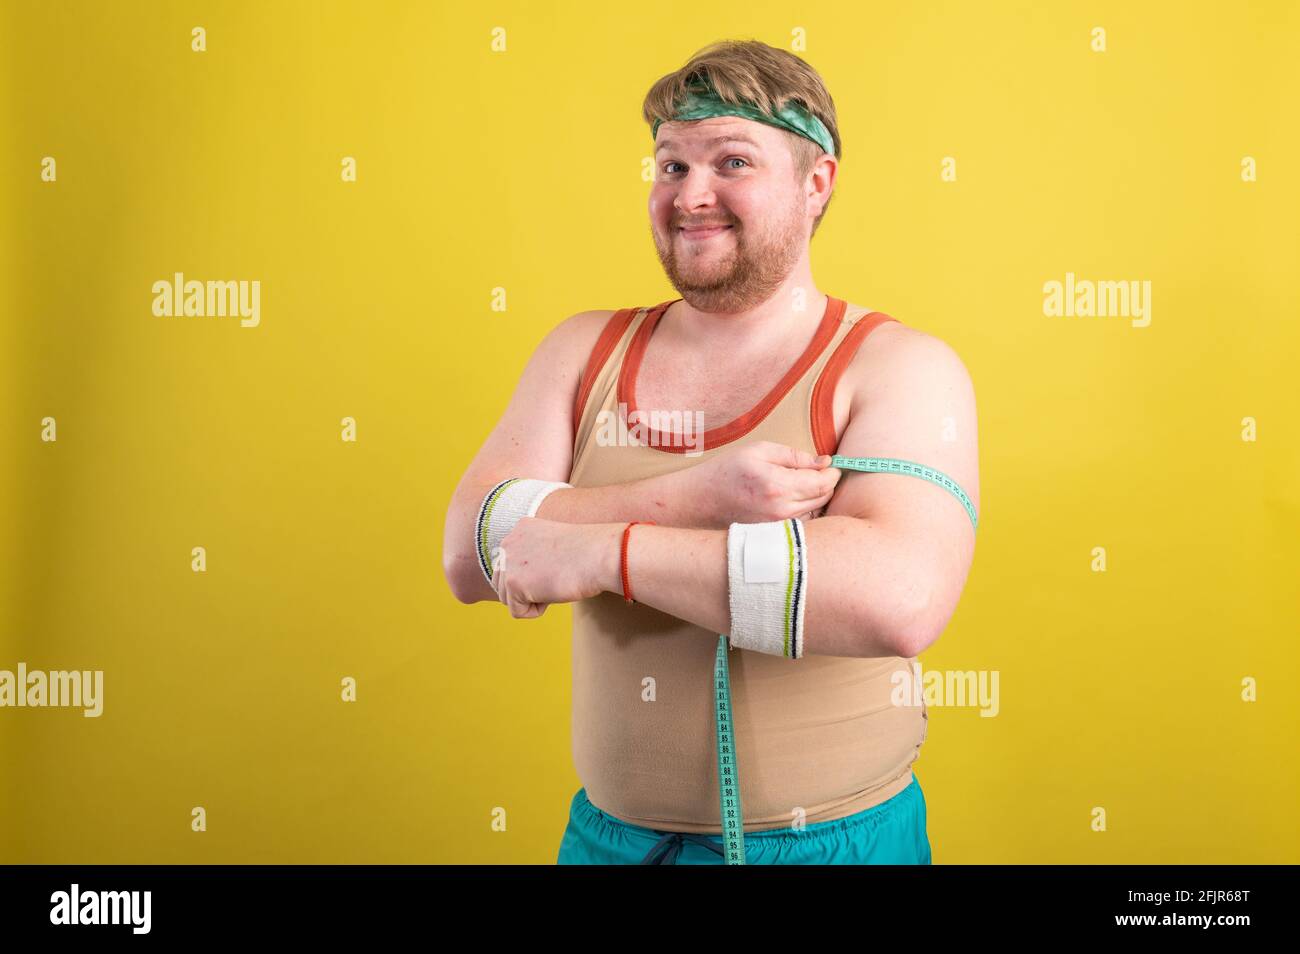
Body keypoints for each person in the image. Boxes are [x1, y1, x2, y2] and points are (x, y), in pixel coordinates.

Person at [442, 39, 979, 864]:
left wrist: (599, 551)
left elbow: (895, 598)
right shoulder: (581, 351)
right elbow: (471, 554)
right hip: (608, 843)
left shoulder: (898, 366)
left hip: (838, 846)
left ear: (816, 183)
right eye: (670, 167)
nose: (692, 196)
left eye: (732, 161)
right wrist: (698, 497)